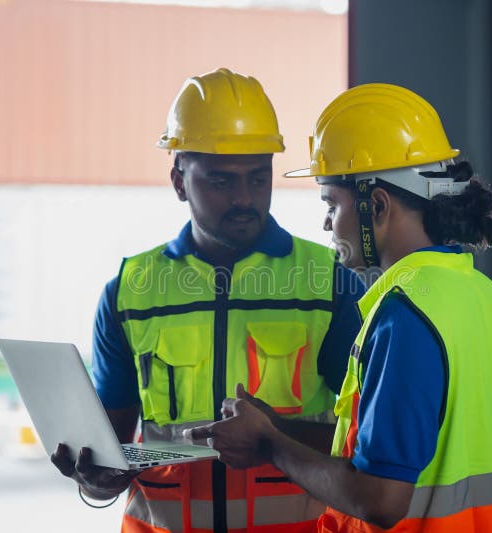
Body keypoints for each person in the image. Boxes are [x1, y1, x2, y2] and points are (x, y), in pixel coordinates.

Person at [190, 83, 492, 533]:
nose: (325, 223)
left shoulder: (405, 318)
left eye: (331, 204)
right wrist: (277, 427)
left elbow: (380, 499)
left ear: (376, 205)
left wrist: (268, 443)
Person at [49, 68, 365, 533]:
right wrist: (94, 479)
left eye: (258, 179)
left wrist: (271, 435)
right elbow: (110, 454)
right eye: (221, 181)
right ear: (179, 180)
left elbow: (365, 442)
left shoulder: (329, 283)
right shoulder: (130, 291)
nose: (244, 198)